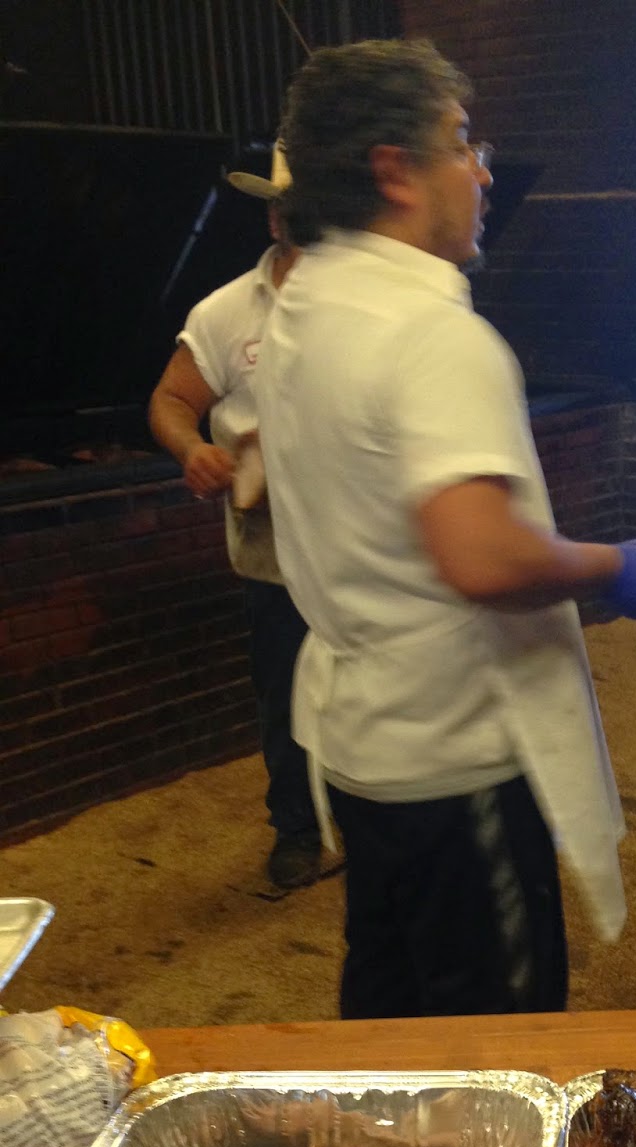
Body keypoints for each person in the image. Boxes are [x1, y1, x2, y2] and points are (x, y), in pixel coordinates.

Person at [254, 38, 636, 1020]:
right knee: (498, 1032)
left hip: (366, 742)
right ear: (394, 170)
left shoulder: (304, 305)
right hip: (456, 753)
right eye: (461, 142)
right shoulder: (431, 334)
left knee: (387, 1007)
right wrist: (613, 566)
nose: (483, 169)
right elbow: (482, 555)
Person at [148, 144, 323, 891]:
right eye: (285, 203)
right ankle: (298, 831)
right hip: (270, 551)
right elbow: (170, 400)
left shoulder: (371, 306)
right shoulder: (223, 312)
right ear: (272, 214)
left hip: (367, 546)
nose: (295, 215)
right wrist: (193, 449)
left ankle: (374, 818)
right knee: (284, 695)